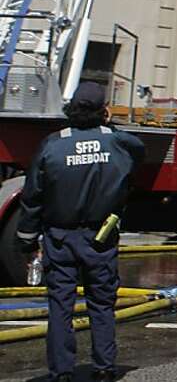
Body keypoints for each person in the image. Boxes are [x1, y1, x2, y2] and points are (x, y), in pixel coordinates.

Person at [14, 82, 145, 382]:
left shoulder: (53, 145)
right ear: (104, 111)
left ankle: (61, 372)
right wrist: (107, 130)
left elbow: (33, 197)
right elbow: (138, 151)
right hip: (101, 237)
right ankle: (104, 368)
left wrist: (26, 241)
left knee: (60, 305)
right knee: (101, 304)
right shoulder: (117, 143)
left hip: (60, 238)